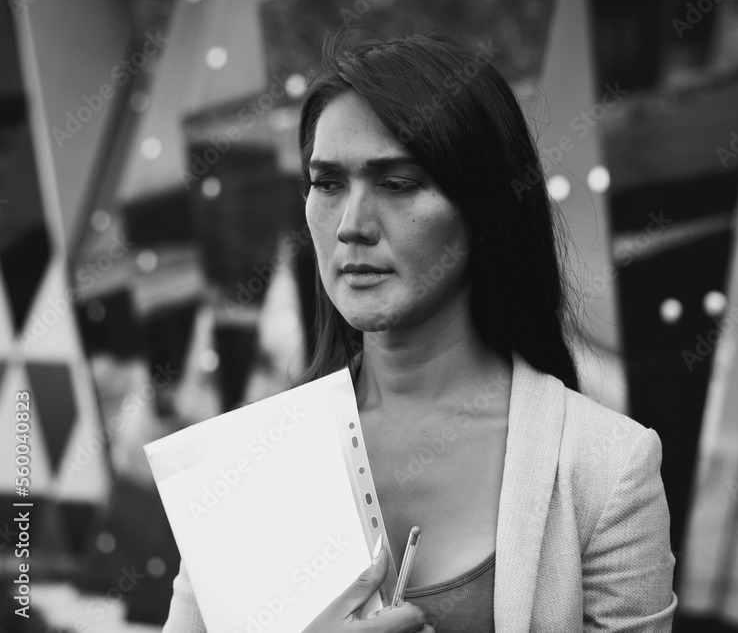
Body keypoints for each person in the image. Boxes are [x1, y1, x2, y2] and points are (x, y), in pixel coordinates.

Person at [162, 31, 677, 633]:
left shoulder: (604, 468)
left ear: (483, 206)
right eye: (327, 183)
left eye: (398, 183)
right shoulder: (251, 459)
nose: (353, 225)